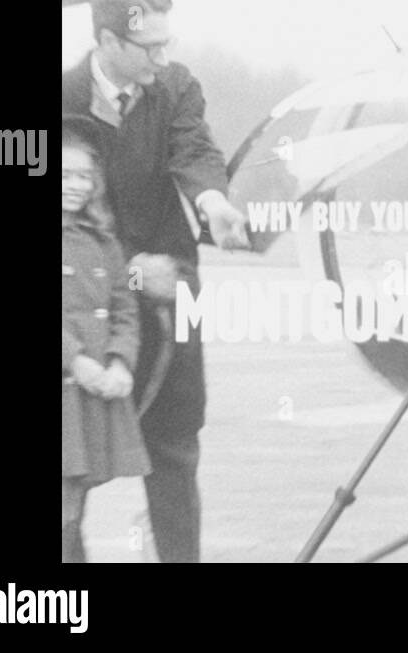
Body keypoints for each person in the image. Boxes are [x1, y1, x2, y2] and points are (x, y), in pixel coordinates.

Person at [62, 0, 249, 562]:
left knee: (174, 449)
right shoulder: (65, 99)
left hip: (173, 294)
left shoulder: (176, 86)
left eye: (166, 42)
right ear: (108, 41)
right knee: (73, 462)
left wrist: (213, 202)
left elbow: (193, 149)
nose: (162, 56)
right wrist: (131, 271)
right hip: (87, 300)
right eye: (150, 46)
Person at [62, 115, 151, 563]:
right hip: (67, 385)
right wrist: (75, 359)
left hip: (92, 396)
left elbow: (125, 307)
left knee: (74, 505)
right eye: (64, 176)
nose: (75, 186)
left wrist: (120, 362)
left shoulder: (105, 242)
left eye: (83, 177)